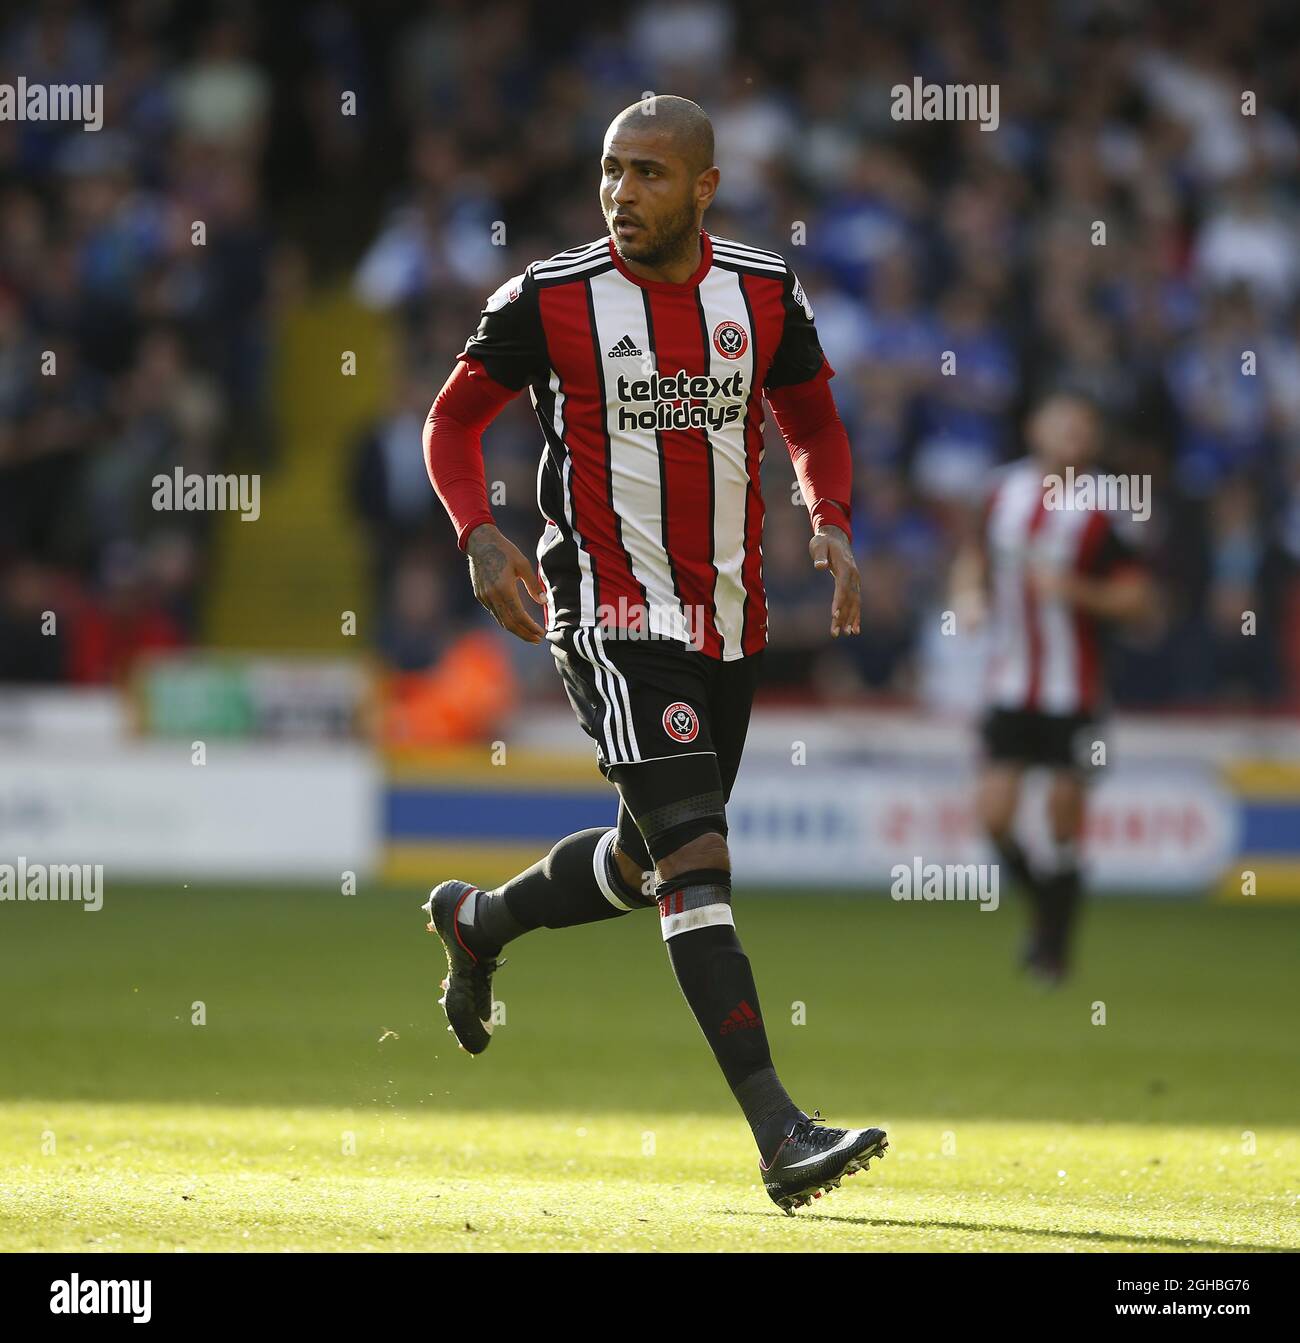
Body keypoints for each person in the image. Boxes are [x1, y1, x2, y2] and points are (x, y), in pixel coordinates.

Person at [421, 95, 885, 1213]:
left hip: (727, 618)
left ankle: (477, 922)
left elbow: (814, 421)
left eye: (649, 175)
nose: (622, 194)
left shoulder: (763, 292)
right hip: (609, 612)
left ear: (704, 189)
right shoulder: (550, 297)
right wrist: (478, 533)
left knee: (644, 862)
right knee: (696, 861)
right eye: (610, 171)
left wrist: (831, 515)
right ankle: (780, 1130)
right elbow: (449, 422)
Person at [953, 390, 1155, 983]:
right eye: (1059, 421)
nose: (1069, 433)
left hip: (1077, 688)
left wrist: (1072, 591)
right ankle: (1048, 913)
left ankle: (1054, 949)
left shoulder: (1112, 504)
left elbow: (1138, 599)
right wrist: (967, 596)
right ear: (1036, 428)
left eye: (1081, 426)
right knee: (994, 815)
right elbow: (973, 558)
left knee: (1064, 814)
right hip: (1009, 683)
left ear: (1092, 438)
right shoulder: (1000, 491)